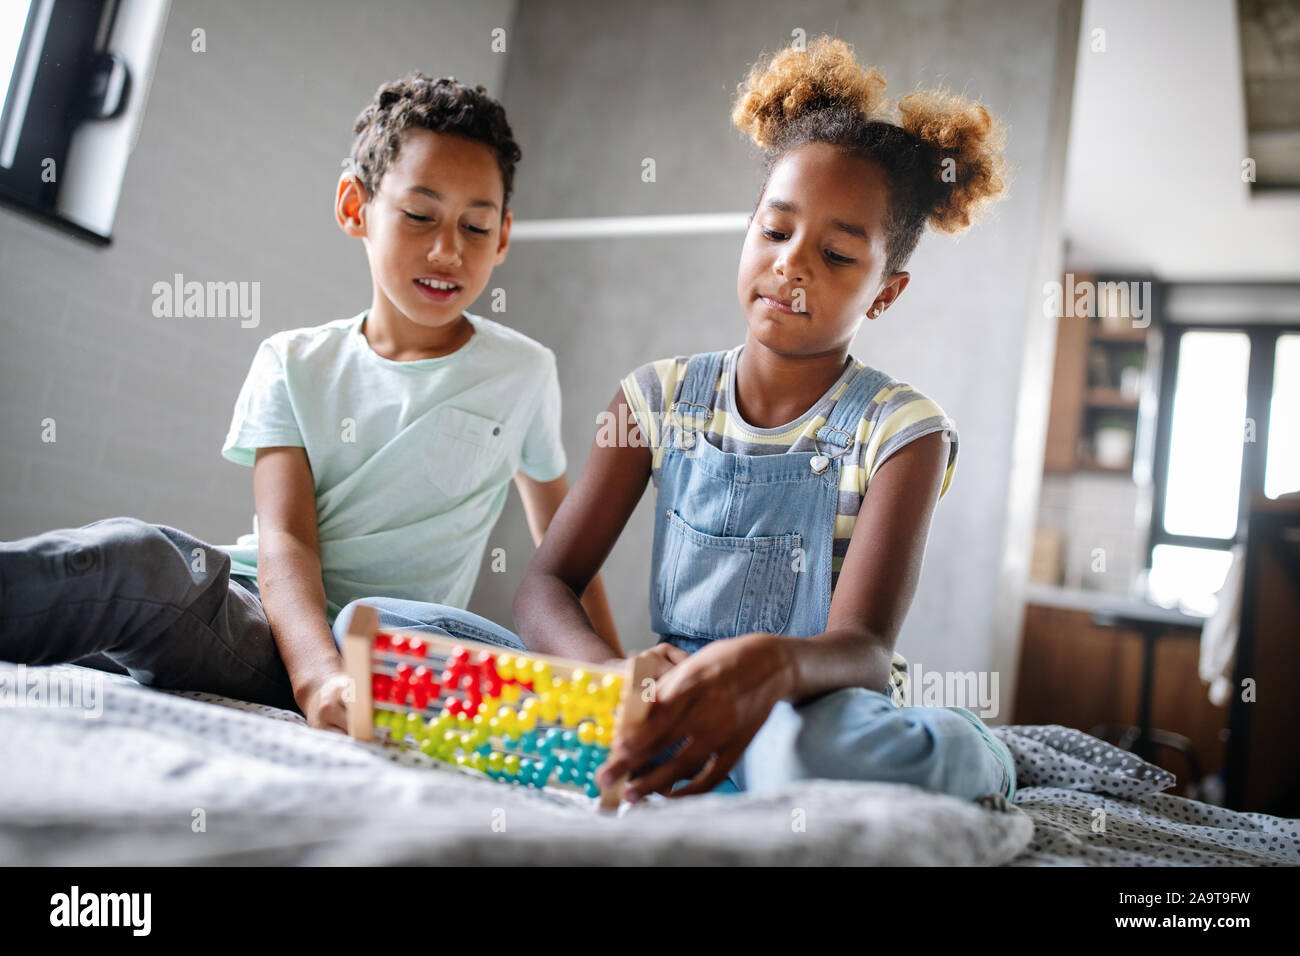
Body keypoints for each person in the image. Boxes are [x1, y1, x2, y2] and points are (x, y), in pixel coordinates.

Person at [335, 37, 1017, 802]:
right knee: (374, 624)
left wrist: (774, 666)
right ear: (748, 227)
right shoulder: (652, 400)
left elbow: (862, 648)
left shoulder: (902, 433)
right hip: (666, 692)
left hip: (802, 707)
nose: (792, 264)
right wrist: (611, 679)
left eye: (836, 254)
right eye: (775, 230)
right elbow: (547, 585)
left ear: (885, 291)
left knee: (817, 755)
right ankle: (643, 739)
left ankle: (977, 752)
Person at [0, 73, 617, 731]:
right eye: (419, 215)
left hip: (380, 648)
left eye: (475, 225)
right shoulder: (291, 362)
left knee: (450, 645)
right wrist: (317, 676)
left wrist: (616, 681)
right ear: (355, 206)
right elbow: (285, 540)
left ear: (502, 237)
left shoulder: (523, 372)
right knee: (130, 560)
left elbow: (564, 552)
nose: (448, 250)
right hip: (267, 619)